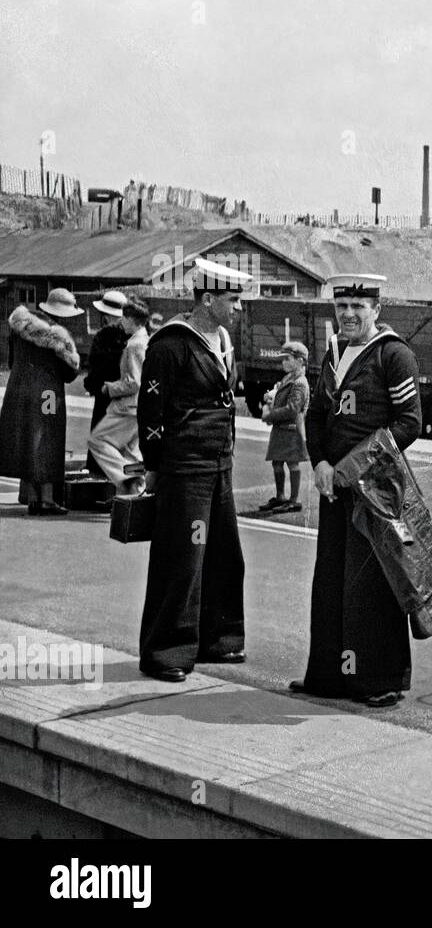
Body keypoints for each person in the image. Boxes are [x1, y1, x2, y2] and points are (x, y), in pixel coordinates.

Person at [293, 274, 423, 708]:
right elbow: (314, 416)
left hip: (376, 491)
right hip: (334, 488)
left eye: (358, 307)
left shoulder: (394, 355)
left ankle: (379, 680)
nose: (348, 314)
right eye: (342, 306)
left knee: (371, 583)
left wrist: (352, 467)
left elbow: (409, 423)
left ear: (376, 310)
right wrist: (321, 464)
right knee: (331, 580)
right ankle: (329, 678)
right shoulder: (332, 354)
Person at [136, 258, 249, 682]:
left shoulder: (221, 338)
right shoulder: (171, 345)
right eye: (232, 300)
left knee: (225, 555)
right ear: (207, 299)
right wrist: (154, 466)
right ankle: (167, 651)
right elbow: (151, 411)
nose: (238, 308)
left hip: (219, 464)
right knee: (183, 558)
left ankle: (219, 639)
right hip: (185, 469)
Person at [0, 288, 83, 515]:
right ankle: (46, 500)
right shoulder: (59, 337)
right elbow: (70, 373)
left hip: (19, 391)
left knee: (28, 441)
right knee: (48, 440)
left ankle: (32, 498)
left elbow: (10, 360)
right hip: (48, 394)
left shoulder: (18, 327)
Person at [87, 297, 151, 495]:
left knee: (97, 440)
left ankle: (126, 477)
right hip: (141, 408)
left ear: (132, 319)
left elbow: (133, 382)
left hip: (128, 407)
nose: (121, 321)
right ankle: (134, 496)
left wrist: (109, 388)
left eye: (124, 318)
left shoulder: (133, 345)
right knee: (132, 455)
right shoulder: (145, 340)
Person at [258, 340, 311, 514]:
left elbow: (292, 409)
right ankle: (280, 496)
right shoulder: (288, 378)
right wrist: (271, 397)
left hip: (291, 429)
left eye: (287, 359)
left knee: (292, 463)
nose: (283, 363)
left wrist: (270, 415)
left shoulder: (300, 383)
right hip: (282, 429)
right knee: (277, 462)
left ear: (300, 361)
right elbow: (281, 395)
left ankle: (294, 500)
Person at [83, 290, 130, 476]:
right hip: (125, 395)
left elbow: (96, 367)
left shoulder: (103, 337)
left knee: (100, 439)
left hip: (105, 395)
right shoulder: (131, 336)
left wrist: (91, 385)